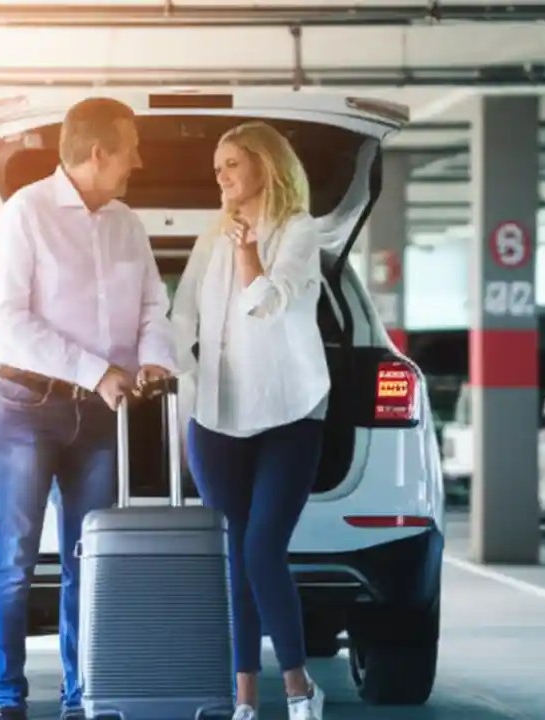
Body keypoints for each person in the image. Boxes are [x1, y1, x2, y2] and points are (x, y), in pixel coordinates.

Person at [0, 96, 176, 720]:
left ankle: (80, 696)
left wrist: (153, 359)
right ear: (100, 153)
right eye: (131, 149)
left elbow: (153, 307)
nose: (138, 162)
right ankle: (6, 699)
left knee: (88, 561)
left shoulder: (127, 224)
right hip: (25, 408)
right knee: (14, 558)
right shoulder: (26, 214)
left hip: (98, 418)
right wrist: (99, 372)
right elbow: (11, 321)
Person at [171, 120, 329, 720]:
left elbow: (268, 300)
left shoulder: (298, 231)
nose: (222, 176)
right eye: (218, 167)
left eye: (233, 163)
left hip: (290, 412)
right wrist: (167, 366)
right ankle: (244, 699)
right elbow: (183, 315)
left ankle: (298, 687)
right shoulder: (211, 238)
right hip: (216, 416)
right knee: (237, 554)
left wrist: (246, 249)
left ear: (267, 165)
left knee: (263, 548)